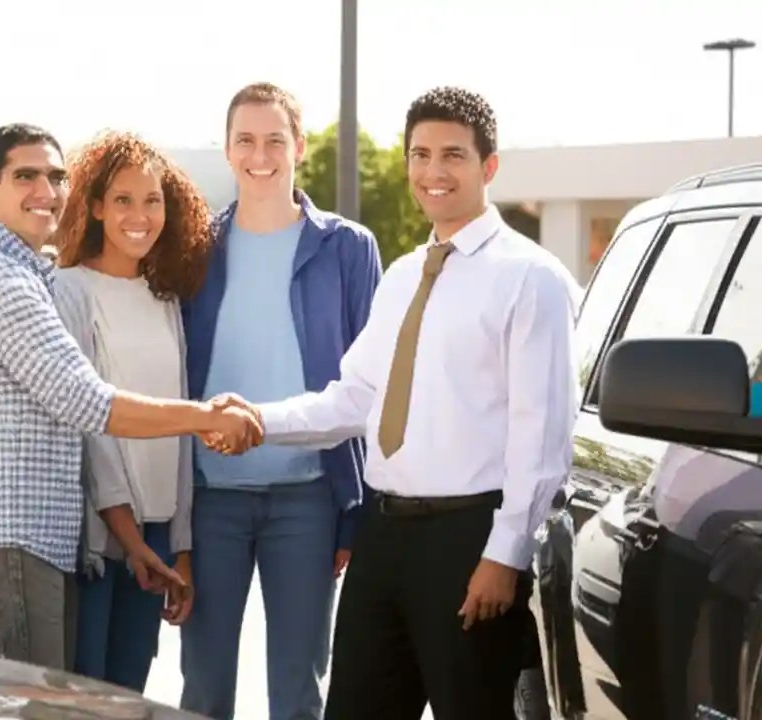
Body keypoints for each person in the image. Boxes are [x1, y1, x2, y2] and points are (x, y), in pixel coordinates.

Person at [211, 86, 582, 719]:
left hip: (469, 538)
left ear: (488, 166)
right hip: (384, 537)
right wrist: (257, 420)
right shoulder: (406, 274)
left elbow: (541, 435)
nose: (433, 172)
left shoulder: (531, 277)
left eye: (453, 156)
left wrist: (504, 555)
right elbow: (352, 397)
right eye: (420, 154)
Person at [0, 122, 260, 671]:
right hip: (16, 544)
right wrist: (206, 418)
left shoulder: (25, 272)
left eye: (55, 176)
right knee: (30, 713)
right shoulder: (5, 284)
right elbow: (89, 403)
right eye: (25, 176)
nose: (45, 190)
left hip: (37, 544)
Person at [178, 82, 382, 720]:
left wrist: (355, 510)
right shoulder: (193, 248)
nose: (259, 154)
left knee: (297, 695)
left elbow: (373, 388)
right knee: (205, 690)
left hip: (308, 499)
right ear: (228, 148)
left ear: (299, 146)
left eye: (274, 139)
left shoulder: (348, 249)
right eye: (245, 139)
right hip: (211, 499)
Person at [49, 130, 215, 691]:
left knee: (129, 697)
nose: (139, 215)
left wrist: (180, 546)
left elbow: (181, 428)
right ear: (95, 207)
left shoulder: (165, 300)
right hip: (102, 541)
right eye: (123, 199)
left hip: (158, 537)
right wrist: (129, 539)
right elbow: (89, 421)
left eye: (152, 200)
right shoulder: (67, 290)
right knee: (86, 695)